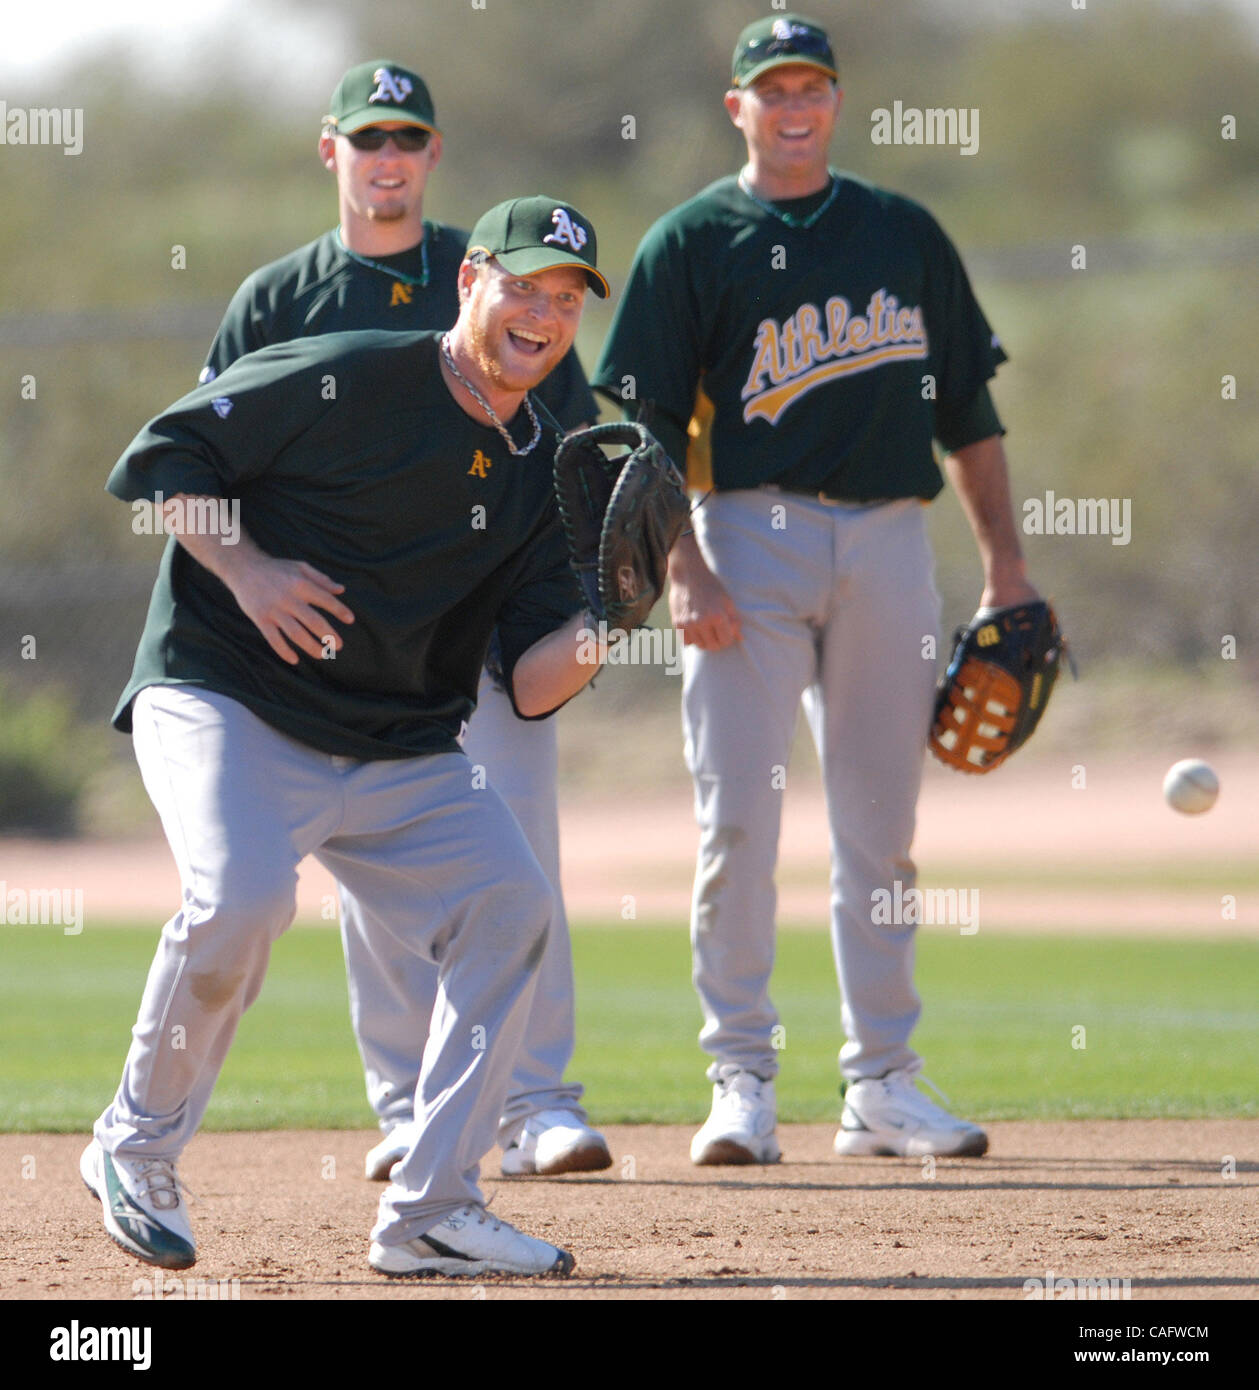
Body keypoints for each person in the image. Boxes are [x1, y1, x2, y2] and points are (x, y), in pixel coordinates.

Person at [83, 196, 610, 1278]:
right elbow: (168, 455)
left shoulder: (536, 467)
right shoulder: (347, 373)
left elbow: (532, 679)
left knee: (511, 903)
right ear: (468, 282)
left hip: (397, 746)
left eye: (564, 299)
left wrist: (610, 618)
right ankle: (133, 1146)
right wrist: (250, 568)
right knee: (239, 897)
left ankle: (431, 1208)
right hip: (227, 694)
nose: (542, 315)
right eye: (522, 286)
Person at [594, 14, 1040, 1164]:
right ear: (734, 107)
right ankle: (738, 1075)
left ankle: (882, 1082)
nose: (791, 106)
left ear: (836, 102)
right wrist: (683, 565)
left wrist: (1008, 569)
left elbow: (969, 417)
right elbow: (640, 426)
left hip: (892, 534)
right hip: (746, 531)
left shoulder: (901, 233)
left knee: (882, 835)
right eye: (769, 89)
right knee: (737, 821)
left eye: (810, 87)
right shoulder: (693, 238)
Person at [202, 59, 610, 1181]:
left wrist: (579, 603)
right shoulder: (279, 300)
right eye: (368, 135)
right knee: (374, 888)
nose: (388, 155)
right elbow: (205, 459)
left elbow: (571, 461)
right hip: (348, 649)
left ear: (432, 154)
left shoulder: (495, 280)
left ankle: (536, 1102)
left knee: (521, 866)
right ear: (329, 148)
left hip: (483, 635)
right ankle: (402, 1107)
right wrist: (251, 581)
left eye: (408, 136)